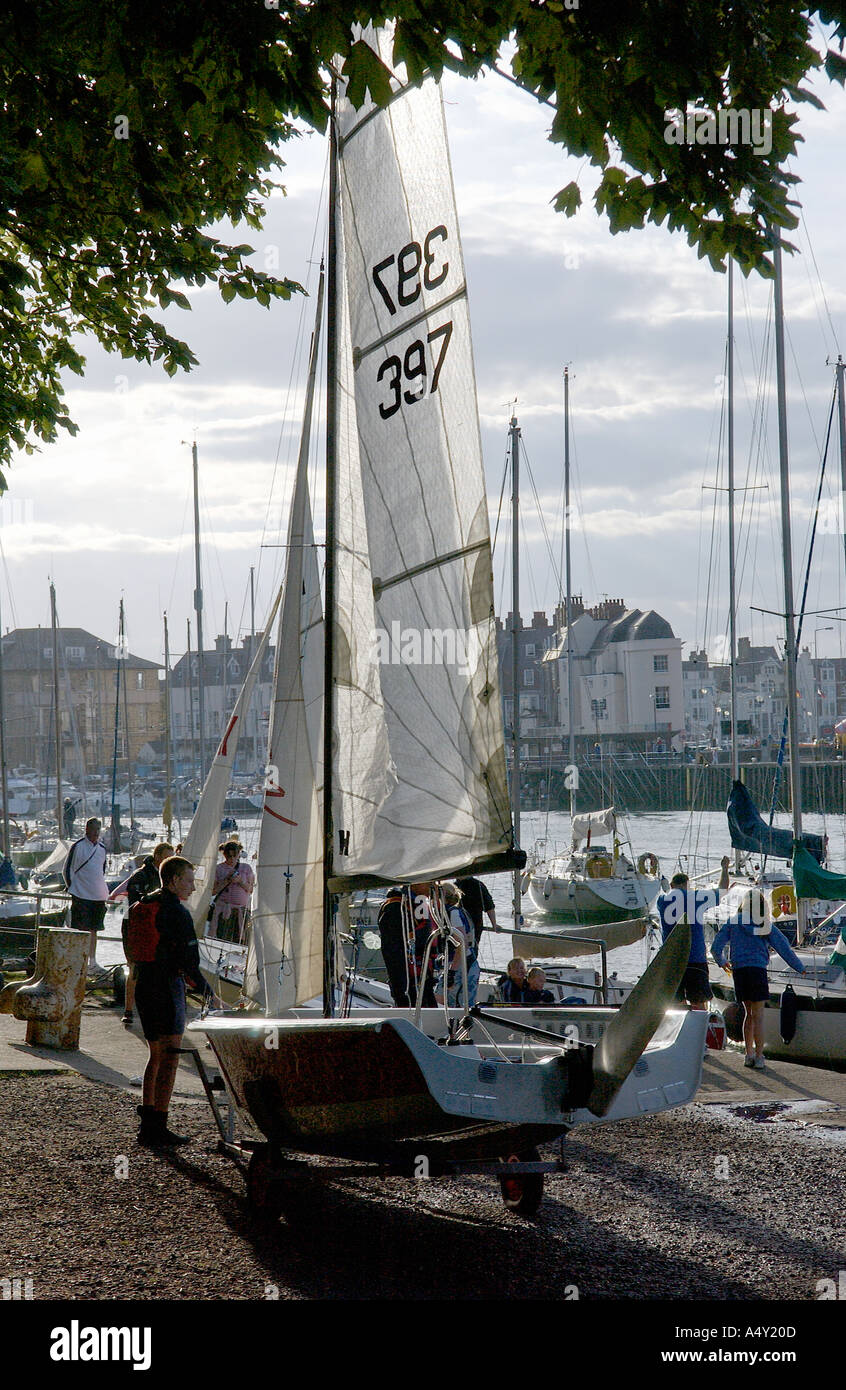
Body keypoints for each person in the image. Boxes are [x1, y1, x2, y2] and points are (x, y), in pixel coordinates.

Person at [134, 855, 203, 1147]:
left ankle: (148, 1123)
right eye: (189, 880)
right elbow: (190, 963)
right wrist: (207, 992)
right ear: (174, 880)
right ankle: (159, 1124)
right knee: (171, 1057)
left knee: (156, 1054)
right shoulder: (177, 912)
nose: (193, 887)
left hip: (145, 984)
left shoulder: (144, 904)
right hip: (167, 988)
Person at [711, 887, 805, 1070]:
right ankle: (760, 1057)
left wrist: (722, 961)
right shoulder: (765, 924)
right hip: (758, 971)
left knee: (748, 1015)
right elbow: (783, 948)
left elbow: (716, 946)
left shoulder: (733, 922)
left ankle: (748, 1055)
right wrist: (800, 968)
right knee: (759, 1016)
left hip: (740, 971)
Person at [655, 856, 731, 1009]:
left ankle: (681, 1031)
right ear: (687, 886)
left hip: (672, 960)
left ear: (672, 885)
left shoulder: (662, 901)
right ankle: (700, 1030)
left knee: (676, 1003)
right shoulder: (696, 897)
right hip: (695, 957)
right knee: (699, 1002)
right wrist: (724, 868)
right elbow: (723, 890)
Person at [113, 842, 174, 1028]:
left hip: (157, 926)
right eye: (166, 857)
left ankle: (154, 1009)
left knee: (157, 968)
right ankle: (128, 1010)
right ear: (157, 856)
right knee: (134, 968)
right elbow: (135, 900)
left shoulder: (167, 876)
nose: (169, 861)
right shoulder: (141, 875)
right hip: (135, 926)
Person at [377, 882, 437, 1008]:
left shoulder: (419, 903)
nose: (434, 886)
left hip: (423, 979)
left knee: (432, 1014)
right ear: (414, 883)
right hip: (408, 983)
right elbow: (392, 951)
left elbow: (426, 938)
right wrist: (401, 987)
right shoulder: (395, 907)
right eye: (430, 883)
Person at [63, 817, 110, 970]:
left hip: (98, 895)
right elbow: (67, 870)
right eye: (93, 829)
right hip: (80, 894)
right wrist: (73, 889)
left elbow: (101, 871)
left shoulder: (102, 848)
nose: (96, 832)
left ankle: (92, 961)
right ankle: (78, 961)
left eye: (98, 829)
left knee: (94, 929)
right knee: (80, 929)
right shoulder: (78, 846)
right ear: (86, 829)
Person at [437, 882, 480, 1008]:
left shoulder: (453, 913)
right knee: (444, 999)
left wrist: (452, 972)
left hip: (463, 966)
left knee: (450, 1002)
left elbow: (462, 943)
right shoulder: (456, 912)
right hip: (463, 963)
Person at [209, 840, 255, 943]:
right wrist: (226, 880)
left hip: (241, 910)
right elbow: (213, 891)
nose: (232, 859)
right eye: (228, 856)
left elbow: (250, 889)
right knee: (224, 940)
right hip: (224, 911)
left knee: (242, 941)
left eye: (234, 856)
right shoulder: (219, 869)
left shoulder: (246, 868)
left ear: (239, 854)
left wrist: (240, 881)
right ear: (224, 855)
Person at [454, 875, 497, 948]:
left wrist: (494, 924)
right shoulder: (478, 885)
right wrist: (494, 924)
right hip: (471, 927)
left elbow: (489, 906)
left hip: (466, 927)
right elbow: (489, 907)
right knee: (470, 951)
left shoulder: (453, 887)